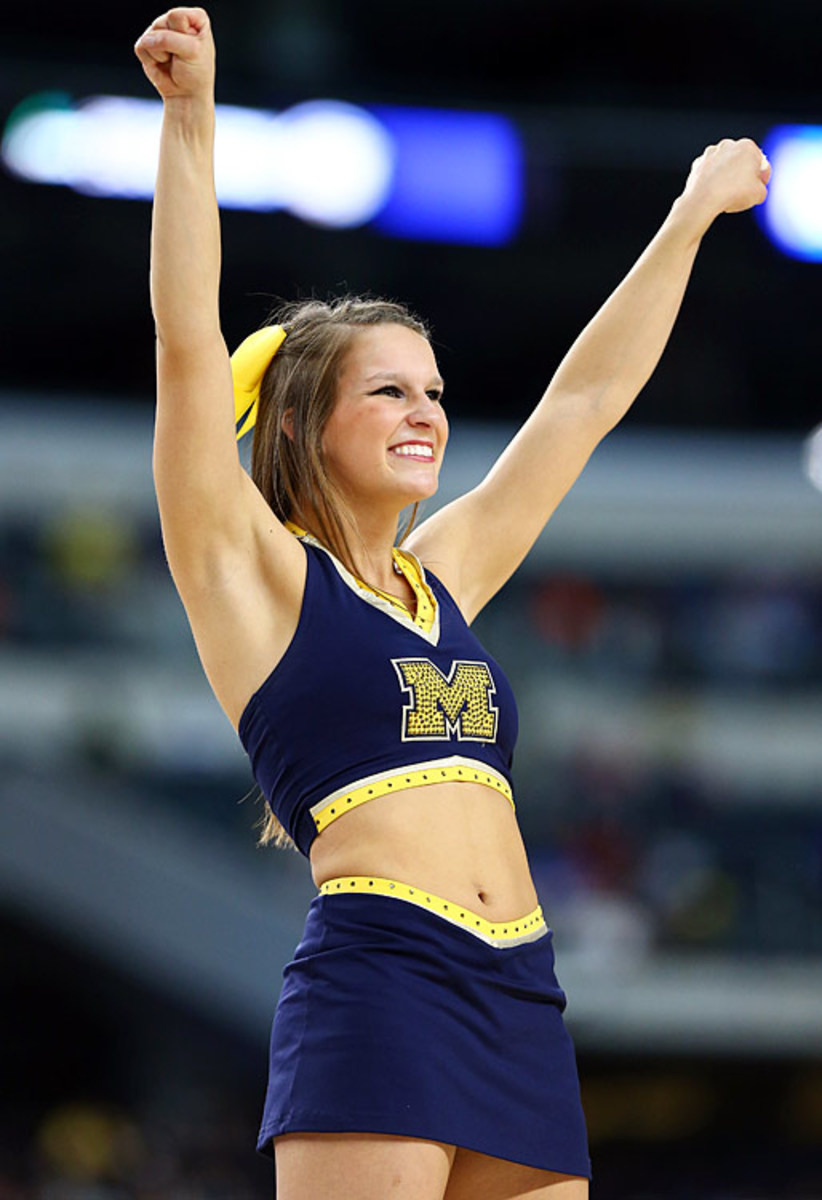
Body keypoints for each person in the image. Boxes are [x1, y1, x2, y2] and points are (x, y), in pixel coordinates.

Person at [134, 8, 770, 1198]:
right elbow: (184, 343)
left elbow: (579, 406)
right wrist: (190, 119)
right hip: (382, 977)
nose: (426, 411)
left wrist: (689, 217)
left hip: (521, 991)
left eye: (432, 390)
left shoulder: (445, 576)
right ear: (304, 423)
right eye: (388, 392)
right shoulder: (255, 574)